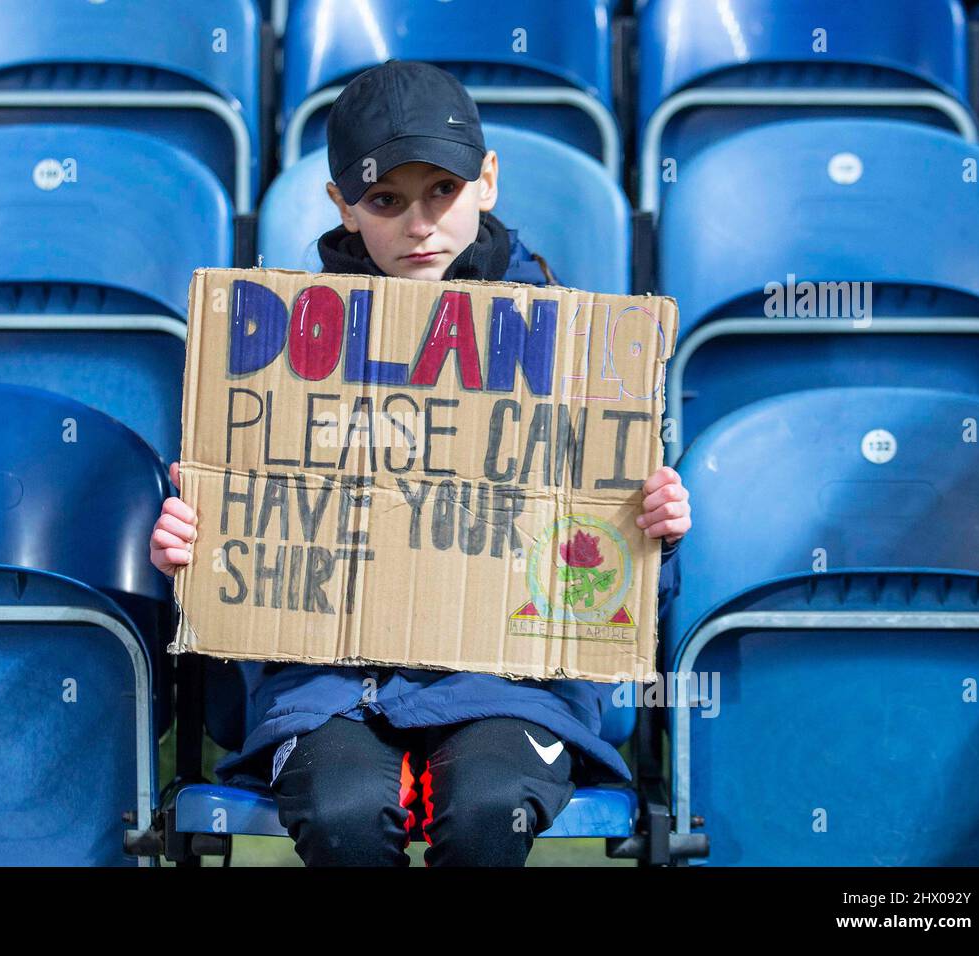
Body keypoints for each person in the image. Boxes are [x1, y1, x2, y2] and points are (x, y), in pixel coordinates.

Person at [151, 61, 692, 866]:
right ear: (342, 204)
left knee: (488, 806)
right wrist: (194, 546)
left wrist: (655, 532)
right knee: (339, 810)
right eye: (386, 201)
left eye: (442, 190)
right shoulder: (280, 353)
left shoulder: (574, 352)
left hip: (515, 689)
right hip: (326, 691)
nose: (419, 225)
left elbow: (625, 585)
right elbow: (241, 540)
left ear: (487, 181)